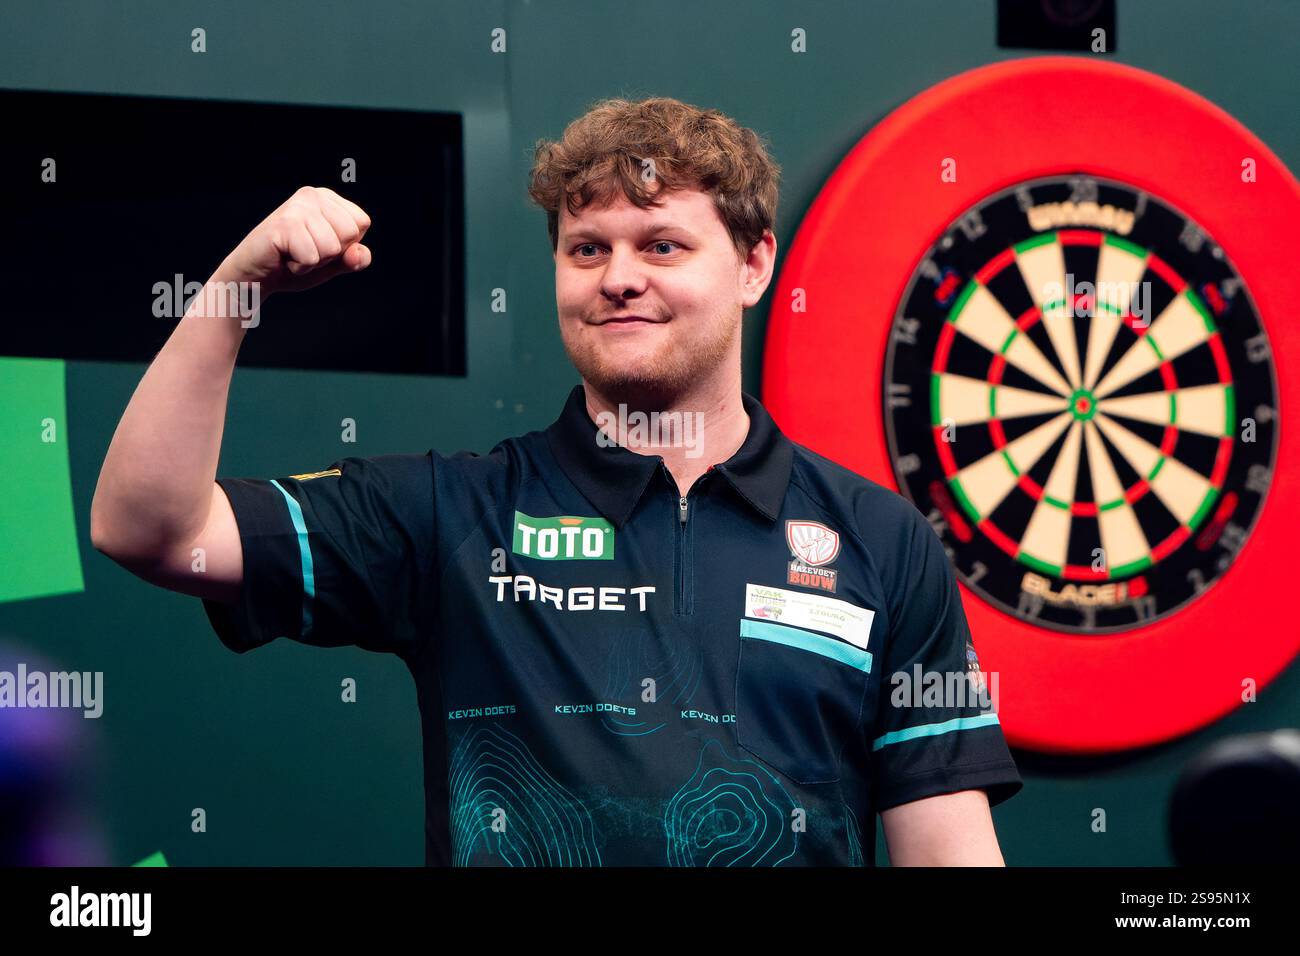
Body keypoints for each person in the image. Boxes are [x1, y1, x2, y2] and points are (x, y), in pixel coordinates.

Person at [91, 95, 1021, 866]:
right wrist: (234, 287)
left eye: (661, 245)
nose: (618, 278)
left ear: (754, 264)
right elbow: (152, 528)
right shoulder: (451, 512)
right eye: (587, 249)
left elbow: (946, 848)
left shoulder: (881, 540)